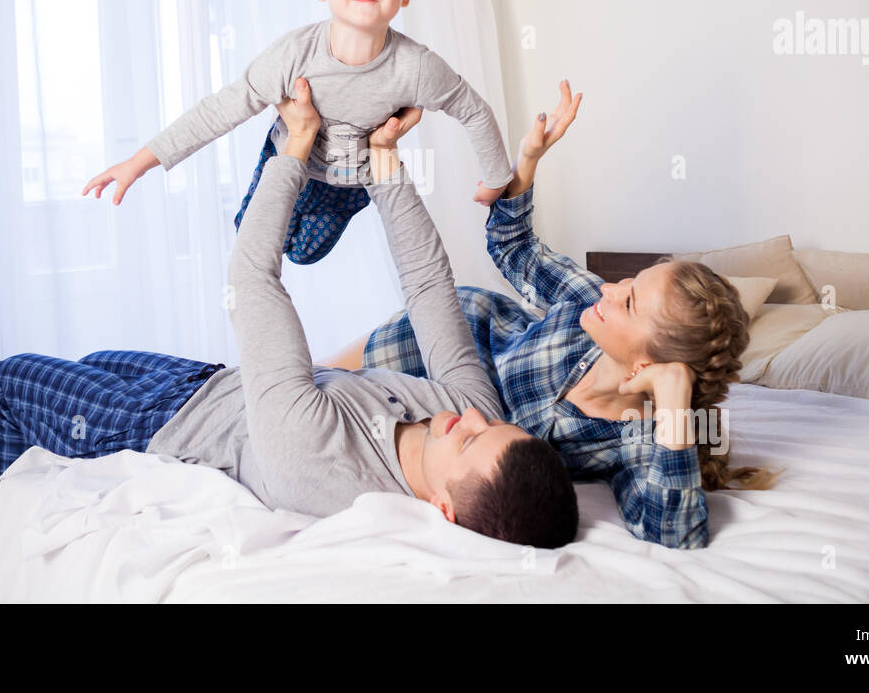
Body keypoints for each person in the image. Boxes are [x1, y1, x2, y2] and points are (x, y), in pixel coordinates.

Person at [0, 80, 579, 548]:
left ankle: (0, 547)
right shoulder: (470, 416)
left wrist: (295, 148)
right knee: (90, 360)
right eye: (492, 426)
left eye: (471, 442)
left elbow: (253, 279)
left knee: (10, 379)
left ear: (444, 511)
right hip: (209, 382)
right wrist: (383, 162)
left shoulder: (320, 462)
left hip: (154, 425)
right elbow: (428, 286)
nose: (469, 418)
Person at [324, 81, 784, 549]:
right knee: (308, 385)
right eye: (630, 280)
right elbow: (515, 249)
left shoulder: (635, 440)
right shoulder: (588, 304)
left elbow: (678, 533)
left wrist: (673, 407)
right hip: (448, 337)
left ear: (646, 366)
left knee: (329, 432)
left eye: (628, 301)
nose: (610, 288)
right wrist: (527, 163)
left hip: (446, 419)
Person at [81, 0, 514, 265]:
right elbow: (221, 109)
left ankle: (320, 218)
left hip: (347, 179)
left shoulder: (416, 66)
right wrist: (138, 163)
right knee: (254, 239)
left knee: (305, 252)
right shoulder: (294, 54)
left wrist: (496, 178)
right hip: (287, 155)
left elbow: (472, 109)